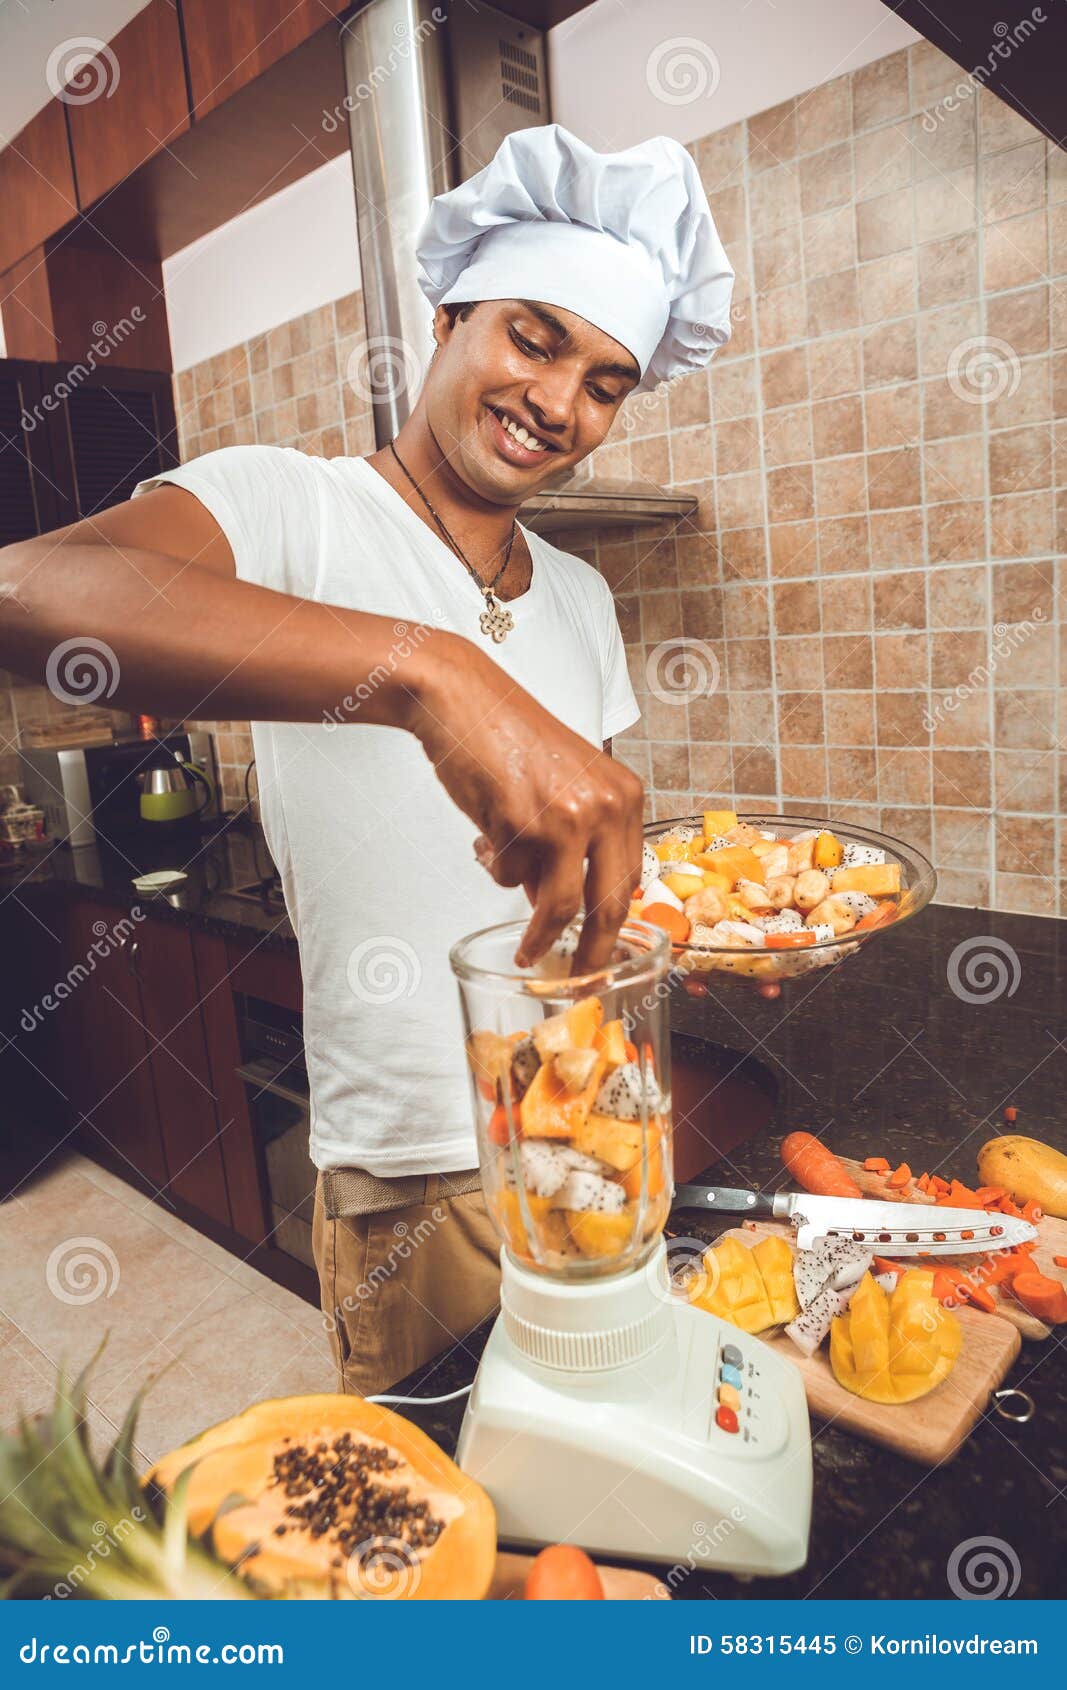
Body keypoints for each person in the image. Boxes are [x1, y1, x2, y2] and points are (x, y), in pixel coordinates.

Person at [0, 125, 733, 1395]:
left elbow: (594, 861)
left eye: (606, 381)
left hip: (592, 1124)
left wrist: (690, 939)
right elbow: (31, 588)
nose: (558, 403)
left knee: (596, 1537)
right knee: (444, 1538)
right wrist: (431, 670)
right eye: (533, 336)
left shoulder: (576, 595)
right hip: (416, 1167)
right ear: (447, 315)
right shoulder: (294, 508)